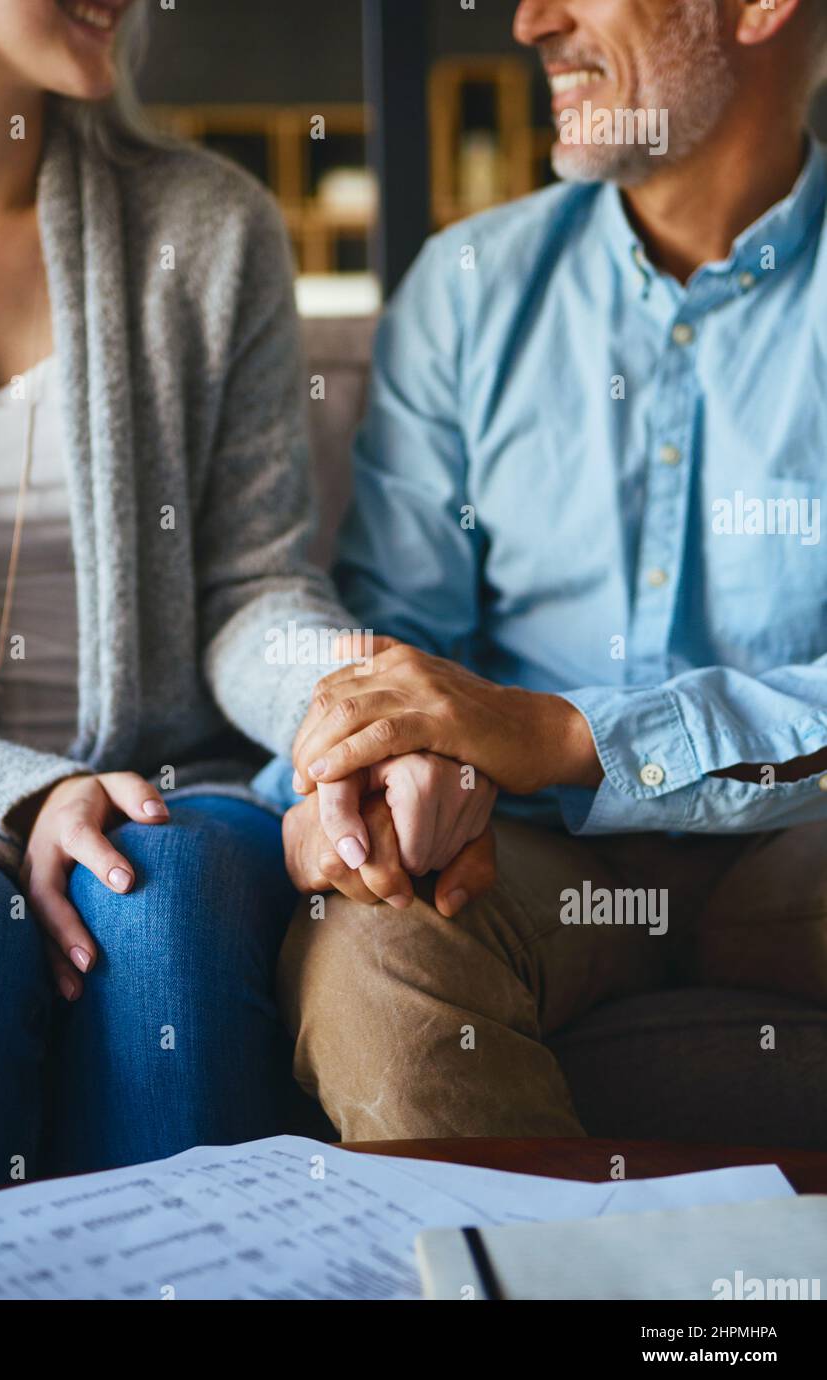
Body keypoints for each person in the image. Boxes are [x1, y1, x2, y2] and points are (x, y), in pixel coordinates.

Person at [0, 0, 494, 1226]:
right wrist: (23, 795)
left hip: (175, 786)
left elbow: (251, 591)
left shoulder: (209, 226)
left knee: (156, 891)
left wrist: (355, 707)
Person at [278, 0, 827, 1141]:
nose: (529, 20)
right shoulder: (468, 289)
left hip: (804, 851)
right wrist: (385, 778)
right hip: (526, 855)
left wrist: (568, 735)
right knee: (371, 944)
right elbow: (401, 635)